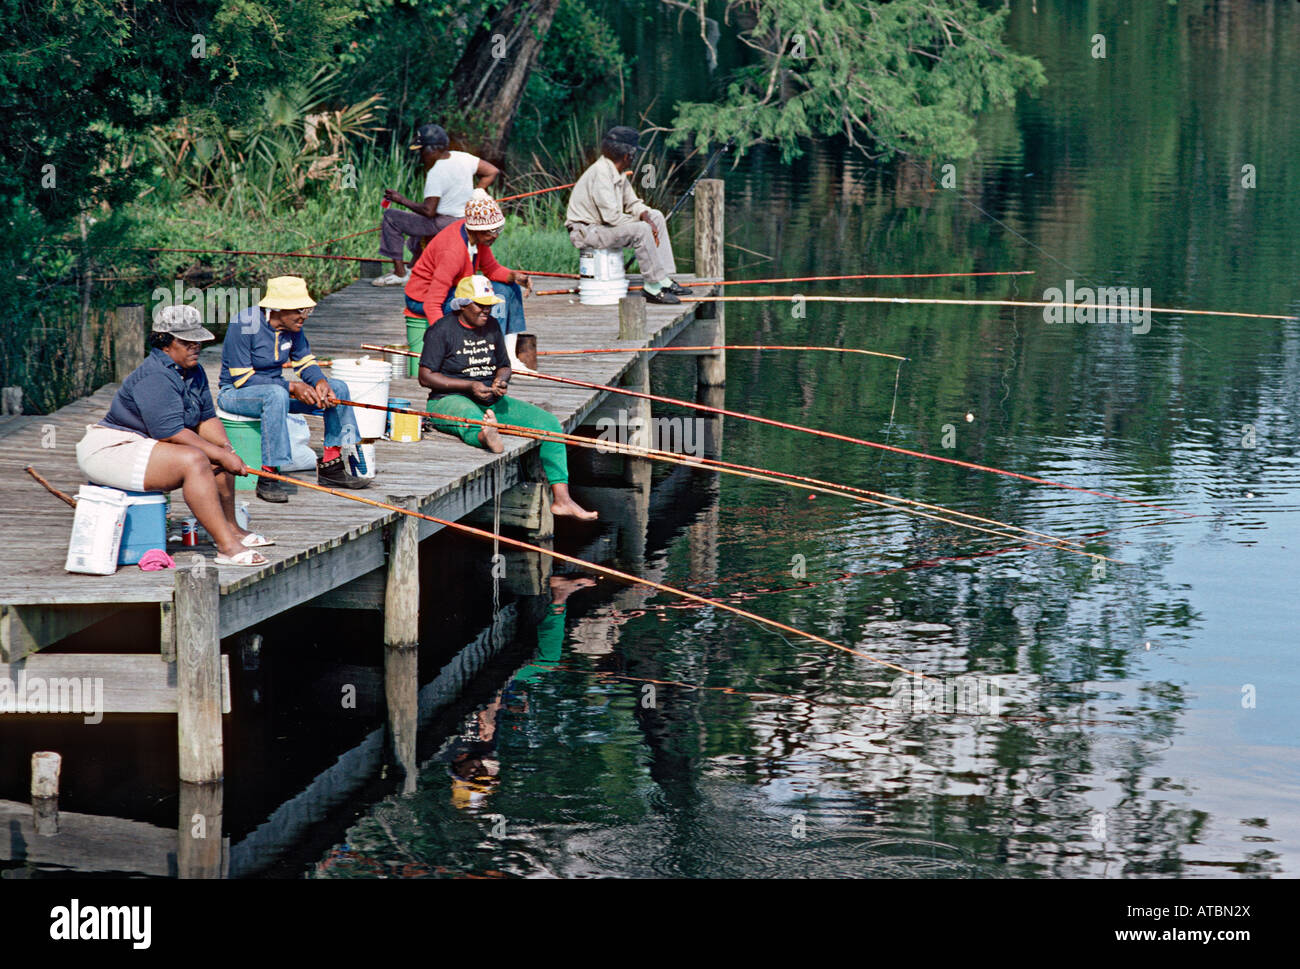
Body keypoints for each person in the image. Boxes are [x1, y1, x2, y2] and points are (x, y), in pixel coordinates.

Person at [75, 305, 271, 567]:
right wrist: (219, 454)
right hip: (111, 448)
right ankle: (226, 547)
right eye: (186, 341)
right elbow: (170, 432)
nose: (195, 347)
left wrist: (226, 448)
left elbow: (206, 418)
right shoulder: (155, 374)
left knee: (220, 457)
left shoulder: (195, 370)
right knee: (195, 459)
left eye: (198, 341)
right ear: (165, 343)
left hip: (147, 444)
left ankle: (232, 529)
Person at [419, 275, 597, 521]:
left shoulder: (491, 326)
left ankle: (562, 498)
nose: (486, 310)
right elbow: (425, 377)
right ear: (462, 304)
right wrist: (469, 385)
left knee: (550, 424)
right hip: (447, 399)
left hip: (490, 399)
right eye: (480, 305)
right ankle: (485, 435)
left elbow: (505, 365)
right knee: (470, 416)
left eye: (489, 304)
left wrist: (501, 381)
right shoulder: (441, 330)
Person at [218, 276, 370, 503]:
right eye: (299, 310)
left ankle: (332, 465)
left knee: (337, 387)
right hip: (236, 394)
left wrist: (319, 382)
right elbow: (242, 379)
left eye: (306, 310)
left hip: (274, 393)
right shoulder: (244, 324)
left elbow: (304, 362)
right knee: (277, 394)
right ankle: (269, 474)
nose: (304, 316)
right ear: (278, 309)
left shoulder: (294, 327)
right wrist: (291, 387)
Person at [404, 189, 533, 370]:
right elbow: (432, 303)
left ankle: (507, 355)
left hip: (453, 289)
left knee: (508, 289)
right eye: (491, 231)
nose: (495, 235)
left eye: (499, 230)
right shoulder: (453, 252)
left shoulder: (479, 239)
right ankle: (488, 355)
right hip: (421, 297)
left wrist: (515, 276)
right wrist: (443, 339)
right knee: (479, 304)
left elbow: (492, 269)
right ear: (475, 229)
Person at [565, 125, 691, 305]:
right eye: (634, 154)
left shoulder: (617, 172)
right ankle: (653, 287)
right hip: (587, 232)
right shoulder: (601, 173)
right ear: (627, 156)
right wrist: (644, 225)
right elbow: (612, 218)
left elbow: (632, 202)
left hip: (603, 228)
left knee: (655, 216)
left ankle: (664, 278)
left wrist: (645, 215)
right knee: (641, 229)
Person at [373, 124, 500, 286]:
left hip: (444, 223)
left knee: (391, 217)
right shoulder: (463, 157)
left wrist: (400, 199)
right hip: (464, 221)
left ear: (431, 150)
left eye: (421, 150)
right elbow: (492, 171)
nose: (420, 155)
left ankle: (400, 273)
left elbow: (428, 211)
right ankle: (414, 267)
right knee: (417, 221)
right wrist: (477, 193)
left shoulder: (436, 172)